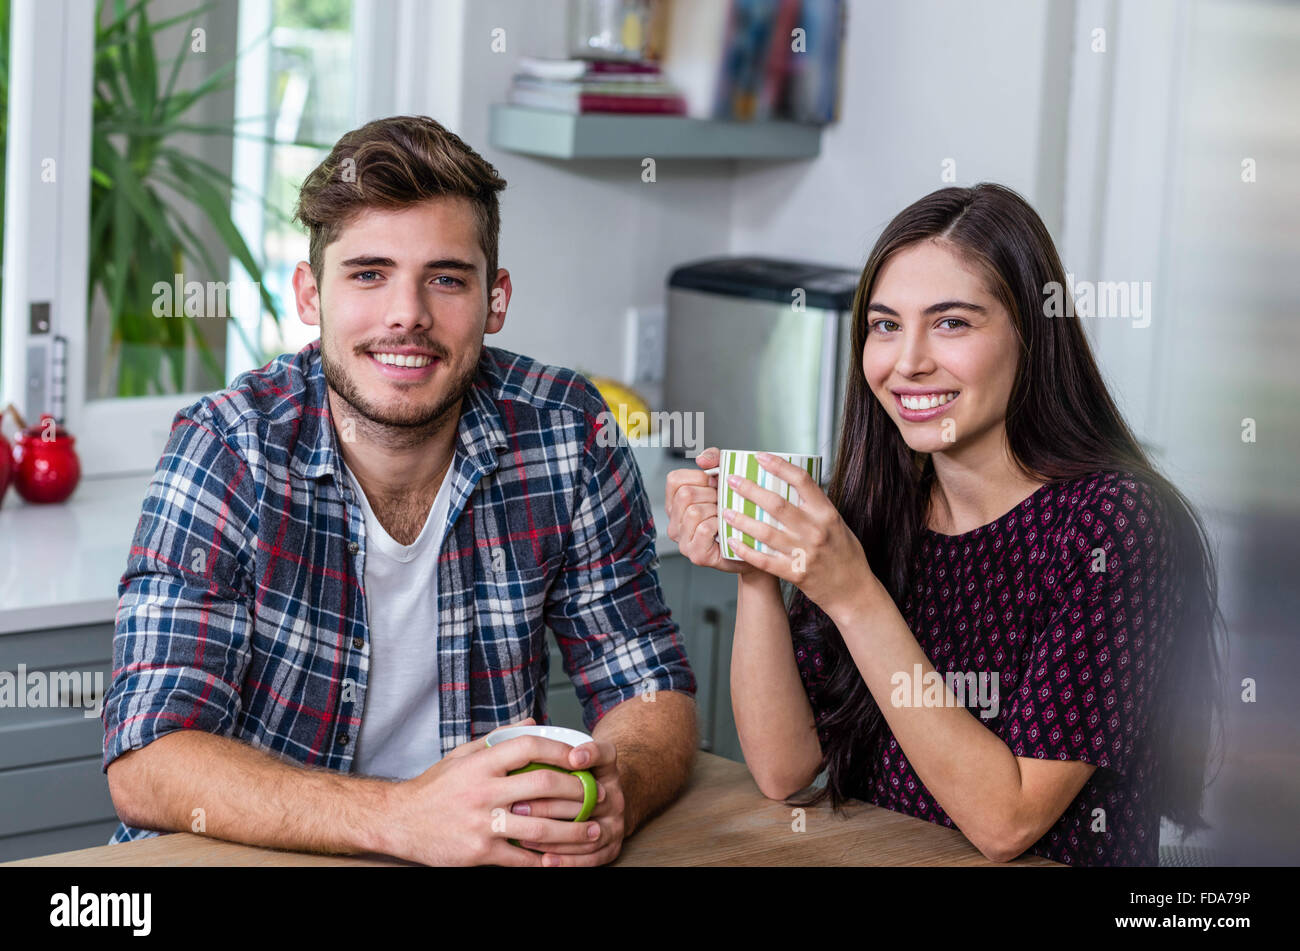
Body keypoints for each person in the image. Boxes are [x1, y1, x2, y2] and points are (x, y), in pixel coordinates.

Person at [102, 114, 697, 867]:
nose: (406, 315)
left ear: (496, 298)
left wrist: (621, 793)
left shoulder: (568, 431)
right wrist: (403, 818)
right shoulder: (227, 449)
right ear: (310, 296)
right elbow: (148, 760)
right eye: (368, 273)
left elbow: (649, 684)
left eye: (446, 279)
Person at [665, 183, 1224, 866]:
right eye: (885, 325)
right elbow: (784, 769)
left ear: (1031, 334)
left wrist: (853, 593)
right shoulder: (877, 505)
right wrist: (760, 569)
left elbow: (1006, 822)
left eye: (953, 323)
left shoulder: (1116, 526)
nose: (908, 362)